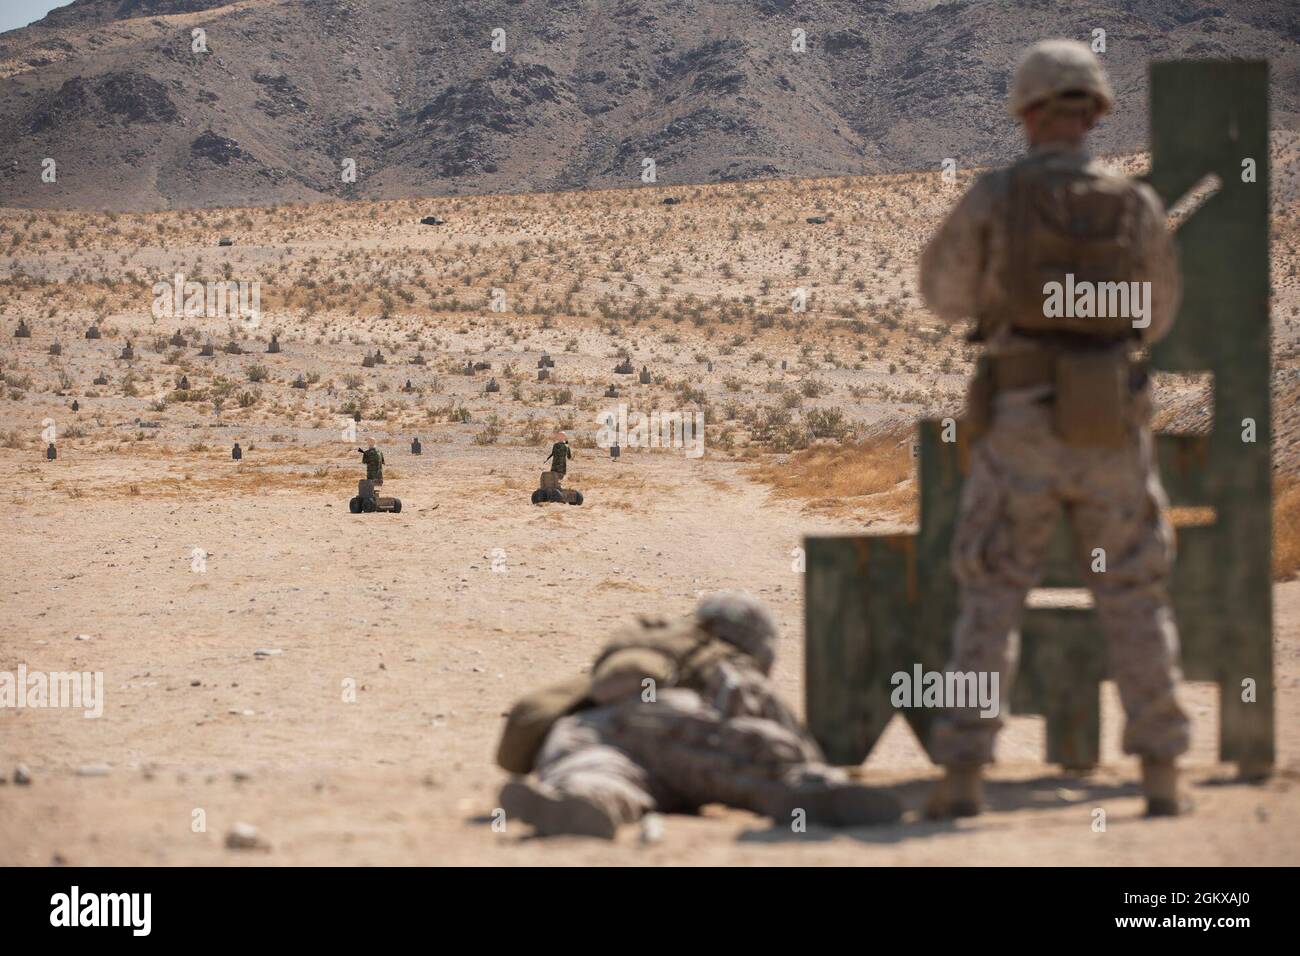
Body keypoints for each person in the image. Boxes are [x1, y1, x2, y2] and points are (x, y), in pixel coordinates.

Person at [918, 39, 1189, 818]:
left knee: (991, 594)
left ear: (1027, 112)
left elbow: (942, 295)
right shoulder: (1134, 205)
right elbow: (1160, 312)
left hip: (1022, 420)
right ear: (1097, 112)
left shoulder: (995, 197)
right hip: (1110, 421)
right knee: (1135, 590)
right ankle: (1163, 775)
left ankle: (964, 774)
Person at [497, 592, 901, 838]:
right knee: (757, 767)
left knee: (597, 771)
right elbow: (770, 724)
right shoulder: (723, 661)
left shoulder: (651, 649)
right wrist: (809, 763)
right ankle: (806, 795)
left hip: (602, 730)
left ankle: (585, 800)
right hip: (684, 730)